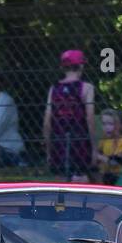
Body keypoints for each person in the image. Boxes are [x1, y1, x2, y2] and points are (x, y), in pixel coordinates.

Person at [44, 49, 96, 182]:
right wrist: (94, 148)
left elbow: (47, 121)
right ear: (81, 66)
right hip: (80, 140)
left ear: (63, 67)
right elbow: (90, 118)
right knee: (82, 179)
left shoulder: (54, 88)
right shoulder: (87, 87)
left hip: (58, 139)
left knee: (60, 181)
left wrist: (49, 149)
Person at [94, 108, 122, 185]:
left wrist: (101, 157)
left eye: (110, 124)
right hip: (105, 174)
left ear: (118, 125)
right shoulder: (103, 141)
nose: (107, 127)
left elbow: (116, 163)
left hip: (118, 177)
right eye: (104, 124)